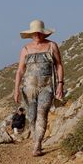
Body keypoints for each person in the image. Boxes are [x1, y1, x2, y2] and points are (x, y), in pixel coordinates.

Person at [12, 19, 64, 156]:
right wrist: (16, 89)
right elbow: (20, 71)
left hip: (47, 87)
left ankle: (37, 145)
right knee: (32, 116)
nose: (37, 35)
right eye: (34, 33)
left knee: (42, 114)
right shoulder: (25, 49)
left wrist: (60, 84)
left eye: (39, 32)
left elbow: (59, 65)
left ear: (44, 33)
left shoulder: (52, 46)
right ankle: (36, 140)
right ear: (31, 34)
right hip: (28, 90)